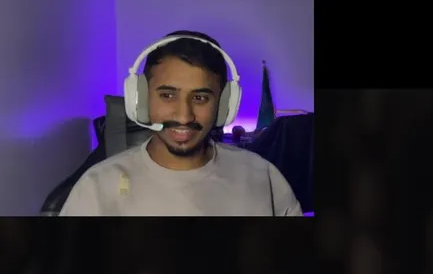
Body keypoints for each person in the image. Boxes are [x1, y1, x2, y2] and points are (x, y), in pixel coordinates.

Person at [59, 31, 302, 217]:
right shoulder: (96, 189)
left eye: (200, 98)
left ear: (224, 104)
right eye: (167, 95)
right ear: (141, 99)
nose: (184, 116)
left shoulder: (263, 177)